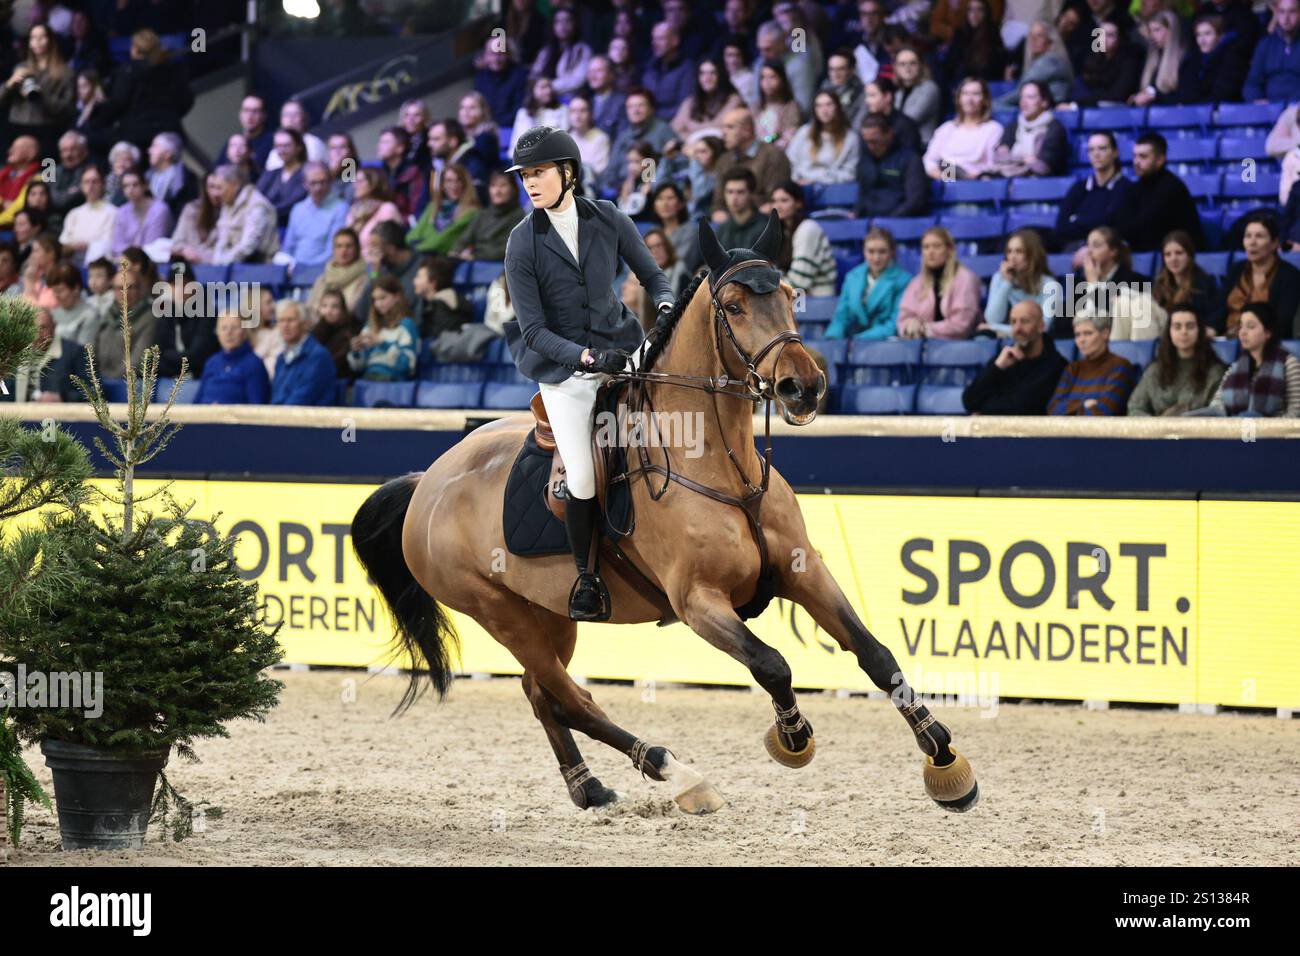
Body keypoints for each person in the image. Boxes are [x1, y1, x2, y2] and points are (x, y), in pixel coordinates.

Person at [501, 126, 675, 621]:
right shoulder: (521, 244)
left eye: (538, 173)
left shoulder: (608, 217)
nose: (530, 183)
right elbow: (533, 330)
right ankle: (586, 577)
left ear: (568, 173)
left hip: (623, 346)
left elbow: (652, 274)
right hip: (564, 370)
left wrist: (664, 303)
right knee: (581, 474)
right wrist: (584, 358)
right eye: (525, 176)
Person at [963, 301, 1070, 414]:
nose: (1017, 328)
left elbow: (1023, 407)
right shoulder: (1003, 360)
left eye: (1024, 321)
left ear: (1041, 326)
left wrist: (984, 411)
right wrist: (996, 368)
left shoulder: (1058, 366)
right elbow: (969, 402)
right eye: (1013, 322)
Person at [1061, 226, 1166, 340]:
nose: (1089, 251)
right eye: (1088, 246)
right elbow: (1062, 324)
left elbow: (1108, 321)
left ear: (1113, 251)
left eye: (1096, 245)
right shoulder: (1080, 283)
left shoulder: (1133, 280)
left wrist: (1094, 285)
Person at [1196, 302, 1300, 416]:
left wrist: (1265, 427)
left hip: (1270, 431)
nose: (1242, 332)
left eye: (1250, 326)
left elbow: (1296, 413)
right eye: (1241, 326)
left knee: (1250, 416)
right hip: (1234, 430)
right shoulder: (1236, 366)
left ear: (1268, 332)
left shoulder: (1289, 363)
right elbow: (1217, 404)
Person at [103, 28, 193, 153]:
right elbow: (186, 99)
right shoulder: (172, 69)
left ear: (135, 49)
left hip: (136, 136)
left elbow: (118, 102)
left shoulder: (128, 71)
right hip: (170, 129)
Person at [1212, 214, 1300, 338]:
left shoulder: (1289, 275)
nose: (1252, 242)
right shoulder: (1237, 269)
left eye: (1259, 236)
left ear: (1274, 243)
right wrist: (1212, 330)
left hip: (1266, 342)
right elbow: (1219, 309)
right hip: (1228, 339)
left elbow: (1283, 321)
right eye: (1248, 236)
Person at [1129, 307, 1227, 415]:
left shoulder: (1215, 371)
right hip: (1157, 430)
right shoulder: (1155, 370)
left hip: (1197, 430)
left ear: (1199, 330)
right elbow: (1135, 407)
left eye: (1190, 326)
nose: (1184, 332)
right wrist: (1157, 426)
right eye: (1177, 327)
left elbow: (1216, 413)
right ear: (1169, 332)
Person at [1114, 133, 1203, 252]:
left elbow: (1146, 226)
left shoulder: (1173, 188)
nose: (1136, 162)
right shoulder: (1134, 188)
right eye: (1135, 156)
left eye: (1143, 156)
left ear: (1160, 159)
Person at [0, 24, 73, 159]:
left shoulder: (64, 73)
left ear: (50, 40)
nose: (37, 42)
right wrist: (10, 84)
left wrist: (42, 95)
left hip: (48, 131)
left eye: (42, 37)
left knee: (48, 175)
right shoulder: (20, 68)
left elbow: (67, 109)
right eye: (33, 38)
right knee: (15, 172)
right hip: (17, 128)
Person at [897, 227, 983, 339]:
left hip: (959, 344)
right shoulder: (917, 282)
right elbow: (904, 316)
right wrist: (909, 326)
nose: (930, 252)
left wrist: (926, 329)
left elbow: (961, 324)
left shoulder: (966, 279)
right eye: (926, 247)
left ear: (949, 249)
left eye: (936, 246)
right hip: (923, 343)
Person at [826, 227, 912, 339]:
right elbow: (841, 316)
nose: (876, 258)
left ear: (891, 252)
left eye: (882, 252)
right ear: (864, 252)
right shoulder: (852, 277)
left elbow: (893, 324)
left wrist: (858, 340)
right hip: (851, 342)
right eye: (871, 251)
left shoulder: (904, 280)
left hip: (883, 344)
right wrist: (832, 338)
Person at [1054, 131, 1134, 249]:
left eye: (1102, 148)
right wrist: (1098, 221)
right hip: (1074, 248)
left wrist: (1077, 221)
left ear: (1115, 152)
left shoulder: (1127, 188)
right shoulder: (1078, 188)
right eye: (1091, 150)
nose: (1096, 154)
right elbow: (1061, 228)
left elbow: (1116, 228)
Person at [1048, 312, 1140, 414]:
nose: (1081, 340)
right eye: (1077, 335)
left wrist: (1070, 409)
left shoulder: (1120, 367)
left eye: (1088, 333)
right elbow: (1052, 409)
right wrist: (1083, 404)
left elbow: (1104, 412)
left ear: (1105, 334)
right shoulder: (1073, 368)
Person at [710, 108, 793, 217]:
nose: (723, 133)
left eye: (730, 127)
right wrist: (718, 212)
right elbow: (719, 201)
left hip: (762, 219)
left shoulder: (772, 156)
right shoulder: (724, 160)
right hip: (732, 220)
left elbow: (775, 199)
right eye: (723, 127)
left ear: (747, 130)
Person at [982, 230, 1063, 334]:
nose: (1012, 257)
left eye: (1019, 251)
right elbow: (992, 319)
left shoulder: (1050, 285)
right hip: (1007, 339)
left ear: (1032, 255)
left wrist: (996, 328)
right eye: (1009, 251)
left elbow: (1042, 328)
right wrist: (1007, 283)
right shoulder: (999, 278)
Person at [922, 78, 1003, 180]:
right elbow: (929, 159)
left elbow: (992, 164)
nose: (969, 99)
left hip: (976, 181)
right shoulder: (946, 128)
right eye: (965, 93)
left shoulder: (993, 129)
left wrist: (973, 176)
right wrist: (940, 175)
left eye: (976, 94)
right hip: (946, 175)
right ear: (959, 98)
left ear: (985, 100)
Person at [1, 307, 88, 403]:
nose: (38, 334)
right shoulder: (15, 353)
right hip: (19, 416)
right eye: (33, 328)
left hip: (56, 416)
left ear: (54, 327)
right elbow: (4, 390)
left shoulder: (75, 352)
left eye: (43, 328)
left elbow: (93, 392)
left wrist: (62, 397)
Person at [599, 88, 675, 195]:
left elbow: (673, 165)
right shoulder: (623, 137)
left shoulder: (663, 131)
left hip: (652, 189)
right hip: (621, 189)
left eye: (641, 105)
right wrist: (614, 188)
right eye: (631, 107)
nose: (635, 110)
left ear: (651, 108)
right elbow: (611, 170)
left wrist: (651, 184)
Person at [153, 259, 219, 378]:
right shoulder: (165, 312)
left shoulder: (207, 312)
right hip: (168, 376)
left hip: (199, 377)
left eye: (184, 284)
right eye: (175, 284)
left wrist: (167, 356)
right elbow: (156, 353)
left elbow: (196, 357)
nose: (180, 289)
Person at [347, 274, 419, 382]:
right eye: (375, 299)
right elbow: (358, 367)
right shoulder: (370, 326)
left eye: (383, 298)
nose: (378, 304)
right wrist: (356, 352)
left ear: (397, 296)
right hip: (369, 378)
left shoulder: (407, 325)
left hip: (394, 380)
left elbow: (407, 365)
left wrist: (382, 343)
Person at [771, 181, 836, 298]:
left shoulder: (808, 229)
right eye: (774, 201)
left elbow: (798, 282)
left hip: (818, 298)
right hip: (799, 298)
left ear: (798, 203)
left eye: (784, 200)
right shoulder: (782, 230)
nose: (778, 206)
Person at [992, 81, 1069, 177]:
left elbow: (1044, 167)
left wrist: (1013, 159)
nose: (1024, 102)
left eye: (1030, 97)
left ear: (1044, 102)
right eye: (1022, 97)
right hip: (1011, 179)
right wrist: (1026, 160)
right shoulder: (1013, 126)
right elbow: (999, 158)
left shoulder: (1055, 128)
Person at [282, 161, 350, 271]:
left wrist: (305, 269)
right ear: (305, 184)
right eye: (313, 183)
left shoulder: (341, 208)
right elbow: (288, 248)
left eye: (322, 182)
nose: (318, 187)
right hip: (295, 270)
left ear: (330, 182)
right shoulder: (298, 209)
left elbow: (333, 251)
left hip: (323, 270)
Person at [93, 261, 157, 378]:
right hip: (100, 383)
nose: (124, 293)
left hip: (129, 385)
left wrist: (107, 383)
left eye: (130, 287)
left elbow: (137, 362)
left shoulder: (150, 318)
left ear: (140, 290)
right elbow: (92, 352)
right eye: (119, 288)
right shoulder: (108, 315)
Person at [997, 18, 1074, 109]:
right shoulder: (1043, 61)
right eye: (1031, 35)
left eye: (1039, 36)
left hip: (1050, 112)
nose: (1033, 39)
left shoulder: (1050, 61)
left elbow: (1022, 92)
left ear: (1050, 42)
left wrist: (994, 104)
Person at [787, 91, 860, 187]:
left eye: (829, 104)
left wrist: (819, 179)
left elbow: (850, 173)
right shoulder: (804, 132)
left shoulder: (851, 138)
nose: (824, 110)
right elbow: (791, 161)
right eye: (819, 106)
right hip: (802, 186)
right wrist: (798, 180)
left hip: (835, 189)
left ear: (837, 107)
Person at [272, 300, 337, 406]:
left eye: (290, 320)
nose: (285, 326)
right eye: (281, 321)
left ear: (304, 323)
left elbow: (303, 399)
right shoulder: (281, 358)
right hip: (282, 417)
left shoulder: (319, 357)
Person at [1065, 19, 1144, 107]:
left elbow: (1118, 95)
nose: (1104, 39)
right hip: (1093, 106)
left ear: (1119, 38)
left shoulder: (1129, 60)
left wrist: (1076, 105)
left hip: (1119, 110)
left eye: (1110, 35)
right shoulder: (1094, 59)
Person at [210, 164, 279, 265]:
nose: (216, 194)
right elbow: (222, 241)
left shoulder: (257, 205)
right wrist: (217, 263)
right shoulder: (227, 204)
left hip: (259, 267)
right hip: (232, 265)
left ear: (235, 185)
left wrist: (222, 263)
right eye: (214, 188)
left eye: (220, 188)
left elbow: (248, 246)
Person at [196, 313, 271, 404]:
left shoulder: (254, 364)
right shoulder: (211, 362)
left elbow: (257, 407)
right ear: (217, 333)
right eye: (224, 328)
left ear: (244, 332)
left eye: (234, 328)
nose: (228, 333)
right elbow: (197, 401)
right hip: (203, 416)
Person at [407, 162, 481, 255]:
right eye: (449, 181)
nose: (454, 185)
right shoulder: (433, 206)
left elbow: (444, 241)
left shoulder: (471, 212)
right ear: (442, 185)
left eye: (458, 180)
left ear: (465, 184)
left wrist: (421, 245)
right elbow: (414, 234)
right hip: (421, 254)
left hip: (444, 258)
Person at [622, 227, 689, 329]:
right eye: (650, 248)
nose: (656, 251)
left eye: (659, 245)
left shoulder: (682, 275)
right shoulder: (642, 278)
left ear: (667, 247)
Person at [452, 170, 525, 261]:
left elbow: (509, 249)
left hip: (501, 268)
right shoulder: (482, 215)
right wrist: (455, 253)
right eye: (493, 186)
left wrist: (475, 255)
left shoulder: (521, 217)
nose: (497, 191)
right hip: (473, 264)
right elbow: (463, 240)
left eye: (503, 185)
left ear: (514, 189)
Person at [355, 220, 421, 321]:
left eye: (375, 247)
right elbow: (360, 313)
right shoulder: (380, 269)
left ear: (390, 249)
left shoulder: (420, 270)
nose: (371, 253)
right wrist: (374, 274)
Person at [1177, 14, 1249, 105]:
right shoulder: (1192, 60)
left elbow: (1224, 93)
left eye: (1207, 34)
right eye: (1198, 35)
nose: (1202, 40)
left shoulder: (1232, 58)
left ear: (1220, 36)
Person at [670, 57, 742, 144]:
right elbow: (674, 131)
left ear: (721, 75)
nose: (707, 78)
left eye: (713, 73)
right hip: (692, 151)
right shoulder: (689, 103)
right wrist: (692, 140)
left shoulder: (733, 101)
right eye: (702, 73)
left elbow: (729, 131)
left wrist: (696, 137)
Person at [942, 0, 1009, 90]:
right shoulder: (960, 34)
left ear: (986, 13)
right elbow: (950, 66)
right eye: (970, 10)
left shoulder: (992, 33)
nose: (974, 14)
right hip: (961, 85)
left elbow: (996, 68)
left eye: (979, 10)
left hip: (985, 85)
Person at [1243, 0, 1300, 103]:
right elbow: (1252, 83)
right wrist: (1257, 100)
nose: (1286, 18)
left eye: (1292, 11)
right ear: (1277, 14)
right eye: (1282, 12)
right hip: (1269, 109)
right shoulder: (1265, 44)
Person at [58, 165, 114, 266]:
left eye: (95, 181)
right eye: (86, 182)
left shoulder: (113, 212)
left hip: (100, 264)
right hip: (72, 262)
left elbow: (108, 244)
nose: (90, 186)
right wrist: (74, 247)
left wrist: (87, 246)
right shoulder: (74, 213)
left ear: (103, 184)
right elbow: (63, 244)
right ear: (82, 186)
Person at [532, 6, 594, 98]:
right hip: (543, 98)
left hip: (569, 98)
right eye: (558, 21)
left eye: (568, 21)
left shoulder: (583, 50)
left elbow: (578, 81)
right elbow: (535, 74)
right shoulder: (546, 51)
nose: (563, 25)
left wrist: (548, 86)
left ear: (575, 24)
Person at [1153, 231, 1217, 318]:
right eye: (1168, 255)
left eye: (1179, 253)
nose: (1173, 259)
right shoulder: (1159, 284)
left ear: (1190, 256)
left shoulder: (1204, 284)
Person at [110, 170, 172, 258]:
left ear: (145, 186)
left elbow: (153, 245)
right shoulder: (122, 212)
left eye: (135, 185)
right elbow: (117, 246)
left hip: (153, 263)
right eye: (126, 186)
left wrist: (131, 252)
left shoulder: (160, 210)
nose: (130, 189)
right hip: (126, 261)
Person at [256, 128, 308, 228]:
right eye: (278, 146)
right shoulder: (271, 174)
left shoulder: (307, 173)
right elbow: (256, 197)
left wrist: (264, 213)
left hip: (294, 225)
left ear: (299, 147)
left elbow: (292, 203)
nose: (282, 150)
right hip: (266, 226)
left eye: (286, 146)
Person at [1130, 10, 1185, 106]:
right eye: (1151, 31)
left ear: (1171, 30)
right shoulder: (1152, 59)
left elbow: (1185, 99)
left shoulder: (1184, 59)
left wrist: (1153, 96)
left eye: (1157, 30)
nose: (1152, 36)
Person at [641, 20, 694, 119]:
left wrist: (653, 117)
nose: (655, 43)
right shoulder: (649, 67)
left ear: (675, 41)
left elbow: (684, 107)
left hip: (673, 125)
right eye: (654, 39)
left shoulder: (686, 68)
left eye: (660, 39)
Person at [411, 255, 472, 341]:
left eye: (419, 277)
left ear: (433, 282)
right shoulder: (438, 304)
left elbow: (439, 341)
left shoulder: (441, 308)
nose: (414, 281)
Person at [475, 34, 528, 131]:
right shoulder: (480, 77)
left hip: (513, 128)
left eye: (500, 53)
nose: (496, 59)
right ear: (485, 56)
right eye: (492, 54)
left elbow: (519, 109)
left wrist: (495, 126)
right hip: (487, 128)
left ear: (508, 54)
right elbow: (478, 106)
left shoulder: (520, 75)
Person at [892, 46, 942, 145]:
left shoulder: (929, 88)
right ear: (896, 68)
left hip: (922, 145)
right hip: (903, 143)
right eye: (902, 64)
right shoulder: (899, 91)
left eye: (912, 63)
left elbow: (910, 120)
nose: (907, 67)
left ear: (921, 66)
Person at [346, 167, 404, 251]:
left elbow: (389, 244)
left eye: (359, 181)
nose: (355, 185)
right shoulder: (353, 210)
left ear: (374, 183)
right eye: (354, 181)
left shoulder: (387, 209)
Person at [171, 173, 222, 264]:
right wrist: (184, 249)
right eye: (211, 187)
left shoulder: (231, 214)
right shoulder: (191, 209)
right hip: (188, 266)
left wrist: (199, 255)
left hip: (214, 269)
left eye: (219, 187)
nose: (215, 193)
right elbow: (177, 242)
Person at [312, 288, 363, 378]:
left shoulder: (352, 329)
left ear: (343, 309)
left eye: (334, 306)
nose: (328, 311)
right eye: (324, 306)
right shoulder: (317, 330)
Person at [263, 99, 328, 171]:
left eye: (296, 114)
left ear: (303, 118)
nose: (291, 119)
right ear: (281, 120)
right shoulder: (274, 152)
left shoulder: (313, 143)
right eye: (286, 115)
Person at [863, 77, 922, 154]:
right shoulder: (866, 121)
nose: (867, 101)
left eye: (872, 95)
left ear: (888, 96)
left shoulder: (905, 126)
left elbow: (910, 157)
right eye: (867, 96)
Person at [714, 168, 767, 252]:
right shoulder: (722, 230)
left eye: (740, 192)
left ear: (751, 194)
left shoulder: (765, 228)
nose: (734, 198)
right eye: (730, 192)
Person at [754, 59, 802, 151]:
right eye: (763, 77)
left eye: (772, 77)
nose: (767, 82)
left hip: (778, 153)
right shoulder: (755, 107)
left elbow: (789, 136)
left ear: (782, 80)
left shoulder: (791, 107)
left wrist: (770, 141)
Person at [511, 76, 568, 151]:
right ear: (533, 90)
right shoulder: (523, 113)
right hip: (526, 157)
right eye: (543, 87)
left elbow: (564, 138)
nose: (548, 91)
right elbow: (518, 140)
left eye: (549, 87)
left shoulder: (562, 110)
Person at [47, 263, 98, 345]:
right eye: (54, 291)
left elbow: (83, 352)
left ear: (76, 288)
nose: (56, 296)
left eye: (60, 291)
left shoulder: (90, 315)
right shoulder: (53, 314)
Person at [218, 94, 273, 169]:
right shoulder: (235, 140)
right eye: (246, 110)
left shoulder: (272, 141)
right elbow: (216, 169)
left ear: (264, 115)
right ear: (240, 114)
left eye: (255, 111)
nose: (250, 116)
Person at [820, 48, 866, 131]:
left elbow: (857, 127)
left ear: (851, 70)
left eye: (840, 69)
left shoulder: (861, 93)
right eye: (831, 69)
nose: (835, 74)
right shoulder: (824, 88)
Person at [49, 130, 93, 216]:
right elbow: (52, 198)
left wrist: (61, 194)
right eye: (64, 150)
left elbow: (70, 200)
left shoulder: (90, 172)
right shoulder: (52, 171)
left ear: (84, 152)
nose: (68, 155)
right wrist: (69, 192)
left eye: (73, 149)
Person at [566, 94, 611, 178]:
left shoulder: (601, 138)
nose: (577, 116)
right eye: (573, 111)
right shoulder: (565, 139)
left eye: (582, 111)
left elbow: (598, 171)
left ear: (590, 114)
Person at [0, 136, 39, 229]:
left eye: (15, 148)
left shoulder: (37, 178)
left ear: (31, 154)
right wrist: (2, 202)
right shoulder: (3, 174)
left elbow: (20, 208)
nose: (10, 151)